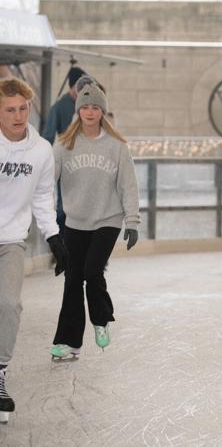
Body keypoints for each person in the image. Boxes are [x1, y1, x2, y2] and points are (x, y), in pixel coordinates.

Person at [50, 83, 140, 361]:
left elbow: (129, 185)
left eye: (95, 107)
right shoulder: (64, 145)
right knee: (73, 280)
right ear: (79, 110)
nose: (90, 112)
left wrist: (132, 220)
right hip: (75, 221)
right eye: (85, 107)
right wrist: (47, 221)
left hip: (108, 219)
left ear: (103, 111)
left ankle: (100, 320)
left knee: (91, 272)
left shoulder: (117, 146)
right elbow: (46, 183)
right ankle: (69, 342)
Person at [0, 78, 68, 423]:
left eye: (23, 108)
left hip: (10, 240)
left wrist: (54, 237)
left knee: (9, 305)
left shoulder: (41, 150)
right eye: (9, 110)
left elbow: (43, 197)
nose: (17, 116)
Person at [41, 66, 86, 144]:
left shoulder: (86, 104)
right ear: (73, 86)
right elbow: (47, 138)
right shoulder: (58, 107)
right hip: (69, 151)